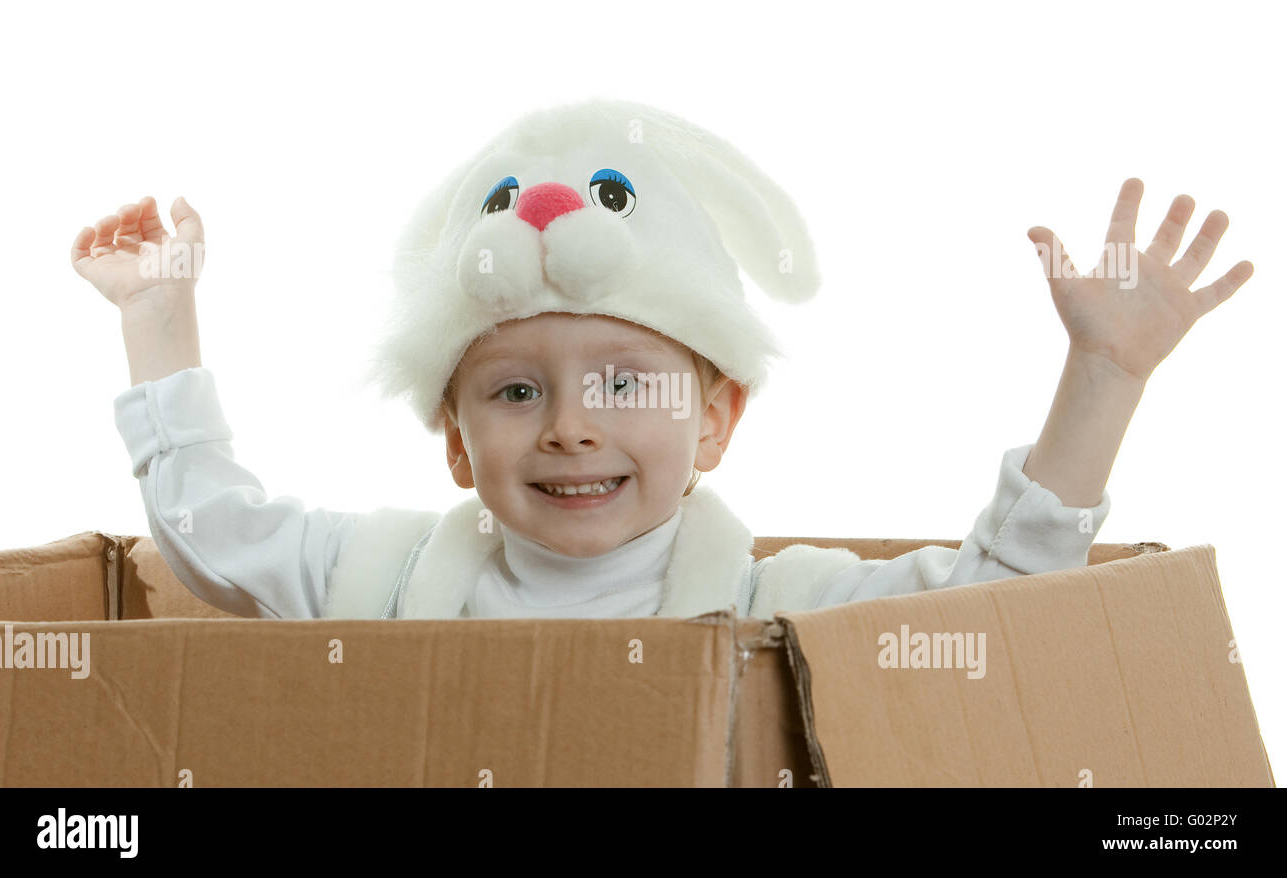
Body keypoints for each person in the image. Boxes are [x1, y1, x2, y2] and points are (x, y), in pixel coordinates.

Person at [70, 98, 1253, 621]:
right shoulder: (381, 579)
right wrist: (158, 318)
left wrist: (1104, 374)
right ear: (452, 436)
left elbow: (1002, 607)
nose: (571, 426)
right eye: (516, 390)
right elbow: (216, 541)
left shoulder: (778, 602)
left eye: (626, 381)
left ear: (716, 421)